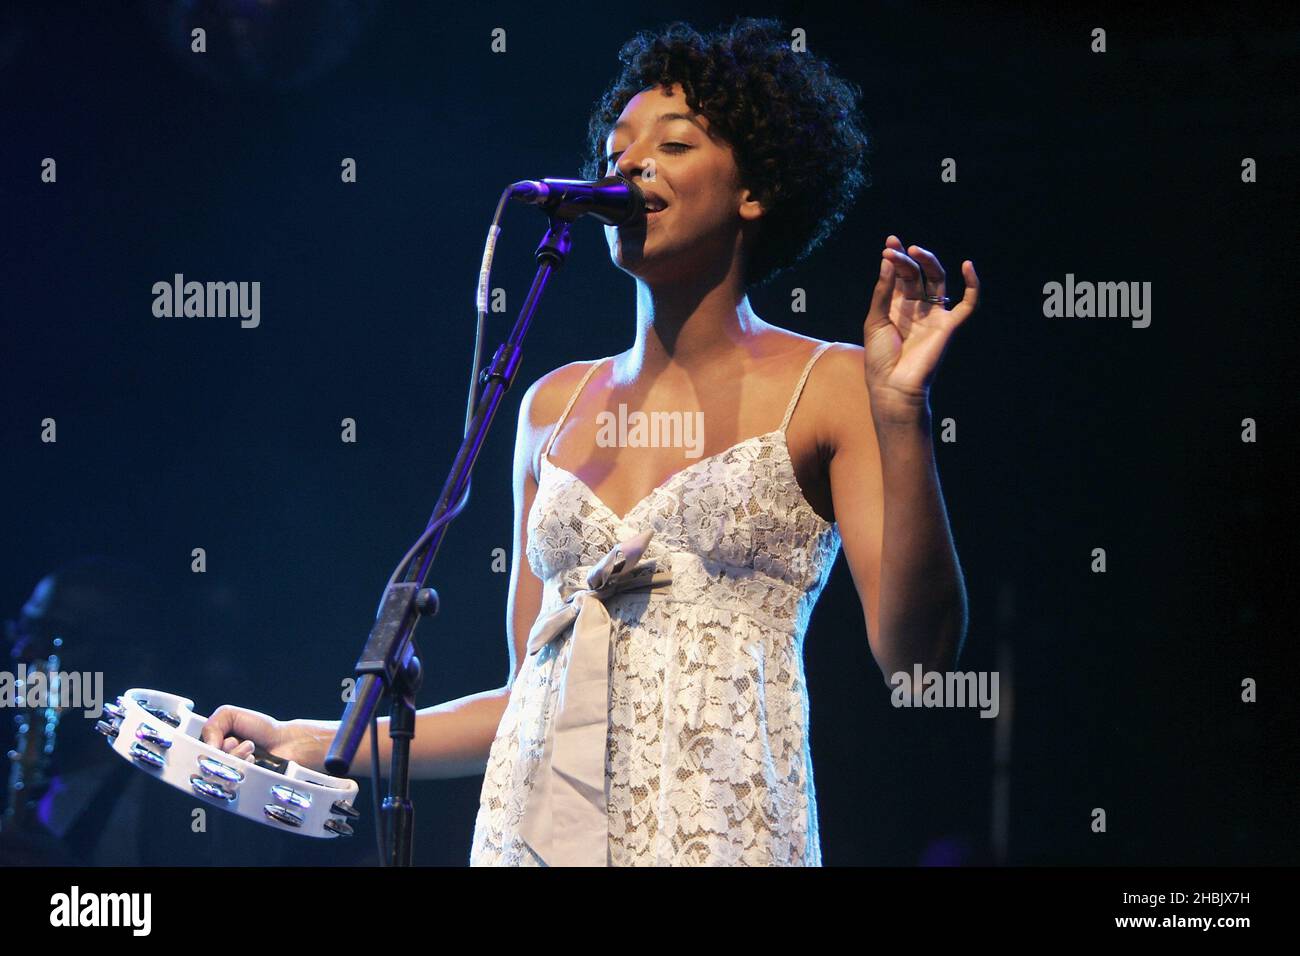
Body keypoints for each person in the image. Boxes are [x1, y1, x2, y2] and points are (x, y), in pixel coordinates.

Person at [201, 16, 978, 866]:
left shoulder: (829, 384)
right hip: (528, 835)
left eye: (672, 145)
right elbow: (520, 695)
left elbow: (918, 658)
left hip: (715, 833)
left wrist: (902, 411)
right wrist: (318, 739)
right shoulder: (550, 407)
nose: (629, 164)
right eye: (616, 151)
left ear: (754, 190)